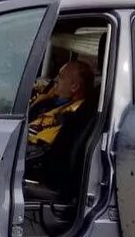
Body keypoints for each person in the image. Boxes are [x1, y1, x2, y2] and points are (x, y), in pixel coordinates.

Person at [26, 60, 95, 190]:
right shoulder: (52, 102)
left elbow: (40, 145)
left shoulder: (72, 117)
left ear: (74, 87)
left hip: (34, 162)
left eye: (61, 77)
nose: (56, 80)